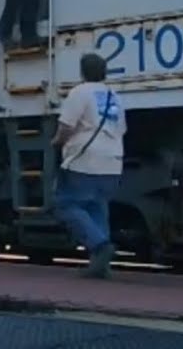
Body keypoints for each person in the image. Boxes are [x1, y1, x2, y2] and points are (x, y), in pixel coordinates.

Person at [52, 52, 126, 278]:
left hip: (85, 160)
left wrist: (57, 141)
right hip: (113, 161)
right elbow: (122, 128)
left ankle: (100, 246)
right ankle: (101, 267)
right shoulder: (114, 96)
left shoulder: (79, 92)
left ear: (82, 72)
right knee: (98, 208)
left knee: (65, 205)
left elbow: (66, 125)